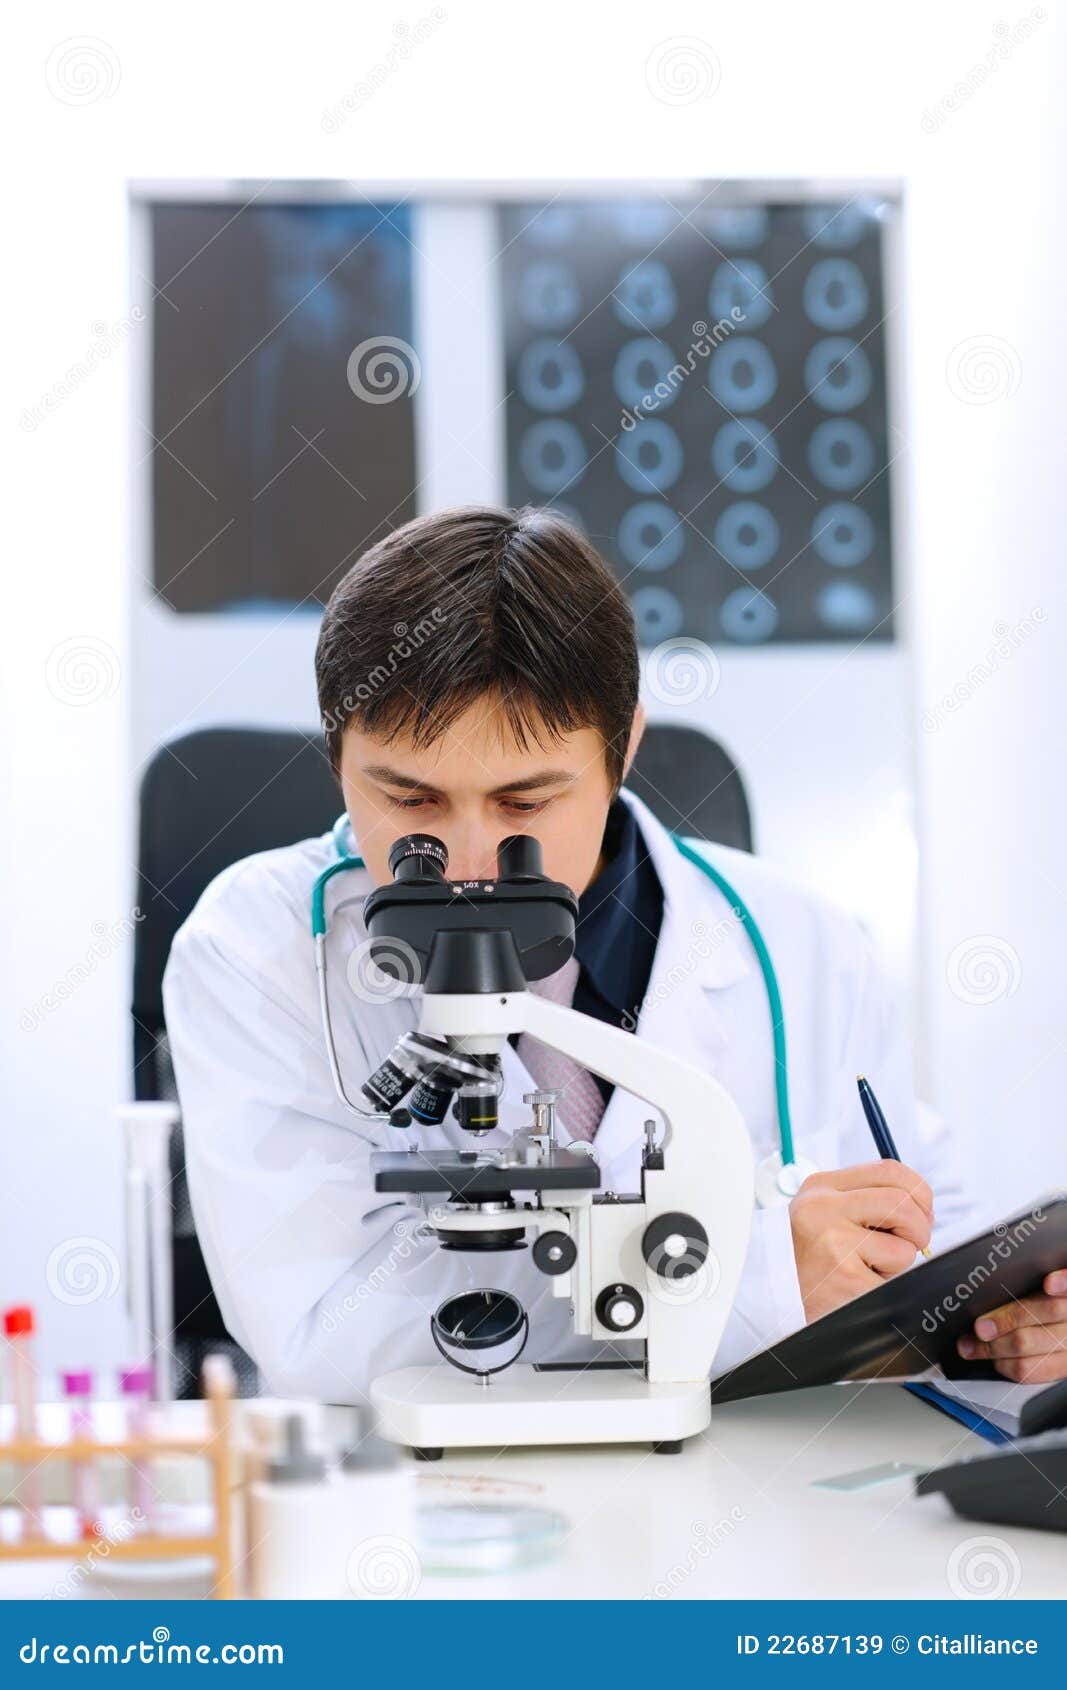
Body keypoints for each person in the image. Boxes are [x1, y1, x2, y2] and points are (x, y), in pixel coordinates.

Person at [163, 505, 1065, 1400]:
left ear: (623, 744)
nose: (470, 865)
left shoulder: (803, 940)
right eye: (412, 803)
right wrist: (738, 1285)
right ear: (336, 758)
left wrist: (1006, 1320)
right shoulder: (256, 949)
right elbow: (320, 1323)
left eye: (524, 806)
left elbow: (939, 1230)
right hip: (427, 1507)